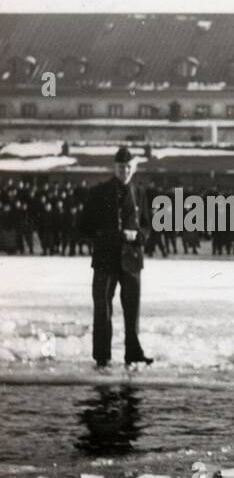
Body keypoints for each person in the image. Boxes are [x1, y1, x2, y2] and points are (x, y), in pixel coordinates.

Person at [80, 146, 152, 370]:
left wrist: (137, 236)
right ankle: (102, 357)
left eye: (129, 167)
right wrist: (106, 236)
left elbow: (147, 227)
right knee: (103, 309)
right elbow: (84, 226)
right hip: (105, 259)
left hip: (131, 260)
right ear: (115, 167)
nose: (125, 171)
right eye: (121, 167)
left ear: (134, 168)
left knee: (132, 310)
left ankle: (132, 355)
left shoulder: (139, 193)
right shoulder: (98, 192)